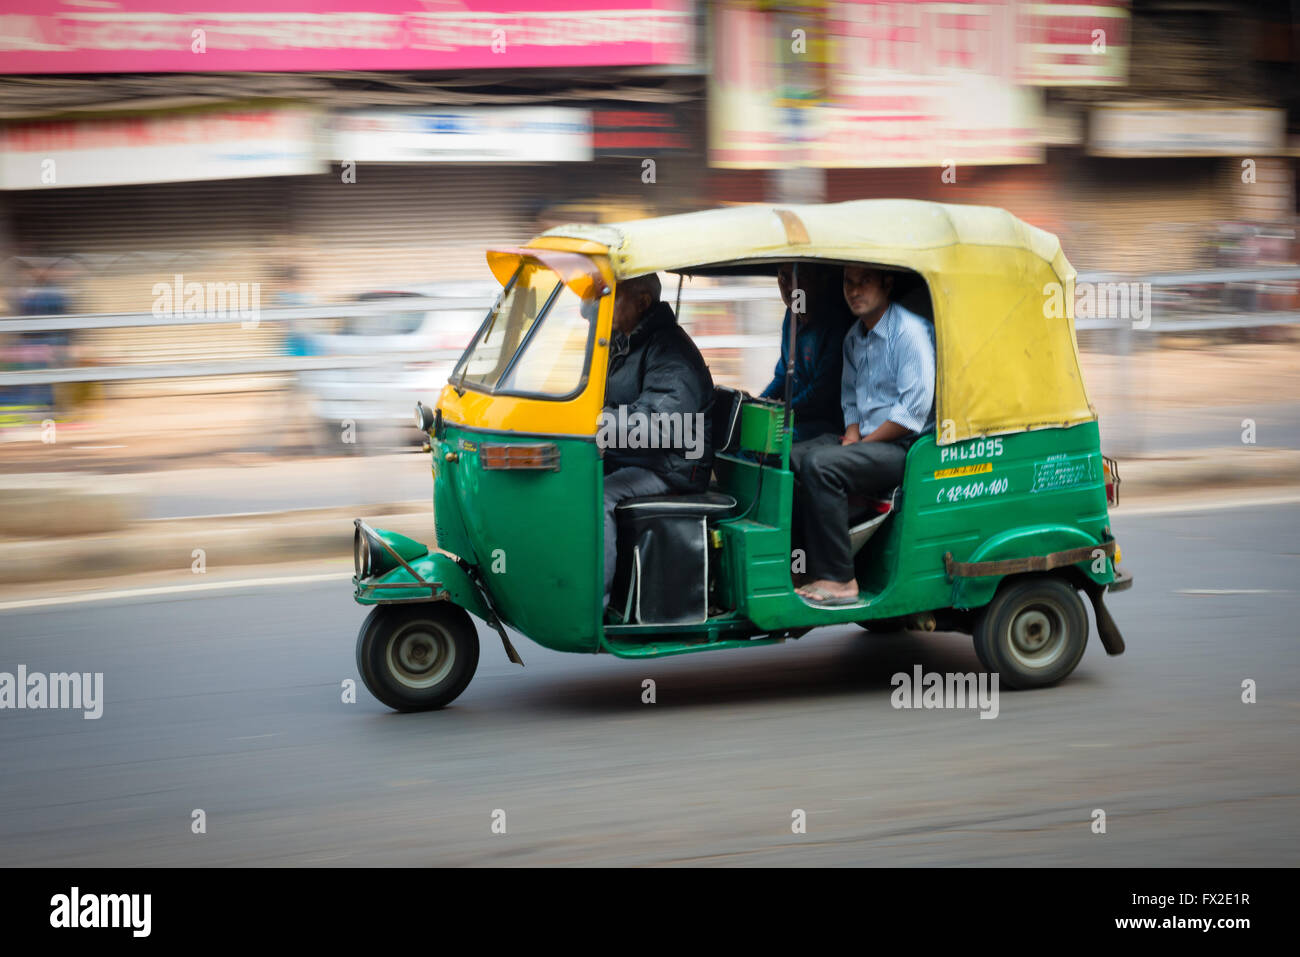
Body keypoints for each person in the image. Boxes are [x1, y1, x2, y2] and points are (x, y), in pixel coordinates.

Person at [790, 265, 935, 606]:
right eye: (848, 283)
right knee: (790, 456)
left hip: (905, 448)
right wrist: (852, 436)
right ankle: (804, 566)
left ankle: (842, 580)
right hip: (869, 442)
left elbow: (911, 414)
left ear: (886, 284)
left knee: (821, 465)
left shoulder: (908, 332)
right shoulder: (855, 337)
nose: (854, 291)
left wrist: (858, 447)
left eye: (864, 282)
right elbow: (851, 399)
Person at [601, 272, 713, 606]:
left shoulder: (669, 350)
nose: (603, 303)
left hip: (673, 466)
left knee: (598, 496)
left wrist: (595, 426)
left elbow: (662, 426)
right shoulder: (625, 341)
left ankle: (595, 603)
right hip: (639, 457)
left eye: (613, 294)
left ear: (642, 302)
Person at [759, 263, 853, 442]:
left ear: (821, 281)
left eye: (800, 278)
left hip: (826, 423)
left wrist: (781, 410)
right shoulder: (792, 317)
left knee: (768, 440)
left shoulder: (836, 325)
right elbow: (783, 376)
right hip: (794, 416)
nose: (790, 287)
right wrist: (757, 404)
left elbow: (821, 394)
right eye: (784, 278)